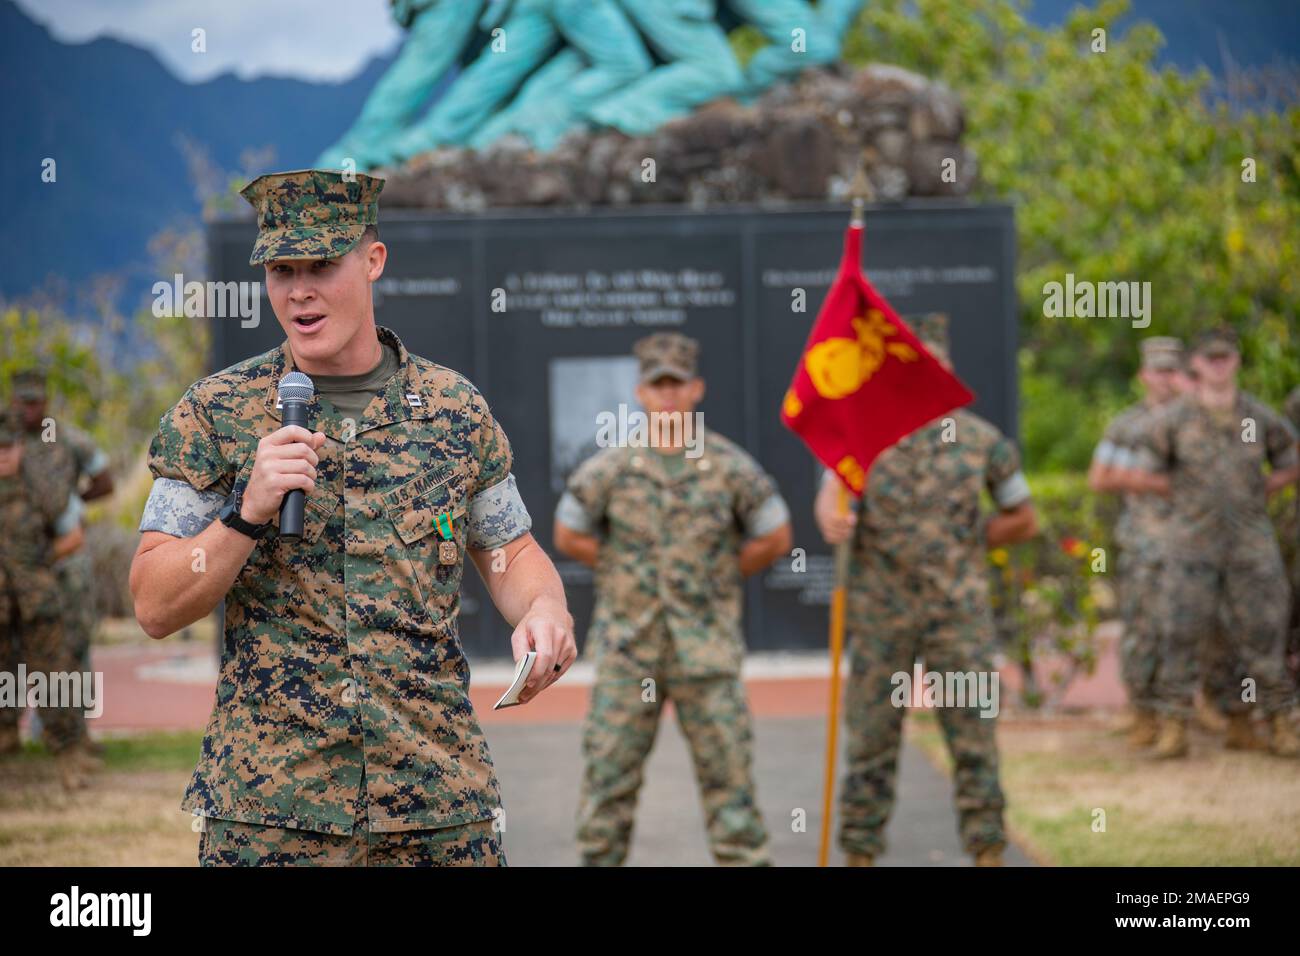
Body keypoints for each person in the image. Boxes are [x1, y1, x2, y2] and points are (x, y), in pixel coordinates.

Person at [129, 168, 575, 866]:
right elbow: (154, 602)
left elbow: (509, 553)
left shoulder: (454, 410)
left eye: (322, 265)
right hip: (272, 814)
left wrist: (545, 611)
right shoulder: (214, 414)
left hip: (434, 806)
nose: (300, 290)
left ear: (372, 261)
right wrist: (245, 515)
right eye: (281, 269)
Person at [554, 332, 792, 866]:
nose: (667, 395)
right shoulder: (613, 467)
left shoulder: (728, 465)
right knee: (607, 788)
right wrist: (621, 567)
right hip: (628, 652)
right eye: (657, 385)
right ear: (640, 392)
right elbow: (568, 533)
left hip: (706, 653)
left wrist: (722, 573)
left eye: (676, 385)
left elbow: (776, 536)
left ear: (696, 390)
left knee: (731, 789)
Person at [814, 314, 1038, 867]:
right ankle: (859, 852)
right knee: (870, 740)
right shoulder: (863, 436)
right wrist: (830, 520)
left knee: (973, 739)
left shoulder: (983, 441)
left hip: (956, 616)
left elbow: (1024, 517)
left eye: (935, 366)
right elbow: (828, 499)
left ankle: (987, 849)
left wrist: (971, 538)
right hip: (880, 616)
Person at [1127, 327, 1299, 758]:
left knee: (1263, 633)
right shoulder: (1173, 420)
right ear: (1197, 367)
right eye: (1210, 359)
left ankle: (1277, 723)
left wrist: (1262, 491)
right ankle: (1173, 727)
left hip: (1249, 542)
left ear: (1236, 362)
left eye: (1226, 358)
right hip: (1191, 544)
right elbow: (1146, 473)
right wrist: (1189, 499)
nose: (1219, 366)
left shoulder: (1255, 418)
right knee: (1181, 633)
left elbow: (1289, 460)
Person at [1087, 337, 1188, 749]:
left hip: (1198, 544)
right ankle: (1144, 712)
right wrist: (1159, 484)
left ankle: (1196, 714)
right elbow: (1099, 478)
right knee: (1143, 628)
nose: (1165, 379)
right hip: (1146, 543)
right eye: (1158, 370)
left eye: (1172, 370)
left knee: (1191, 629)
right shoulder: (1127, 425)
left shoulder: (1200, 420)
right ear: (1143, 375)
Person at [11, 368, 114, 764]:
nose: (28, 409)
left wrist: (72, 511)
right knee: (14, 646)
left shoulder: (65, 439)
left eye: (35, 401)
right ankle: (15, 728)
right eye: (22, 401)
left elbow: (104, 479)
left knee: (72, 644)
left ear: (46, 402)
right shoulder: (8, 440)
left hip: (65, 558)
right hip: (17, 559)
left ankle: (75, 732)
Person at [0, 408, 88, 789]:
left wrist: (41, 562)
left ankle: (70, 755)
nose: (3, 454)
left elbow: (74, 535)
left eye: (8, 447)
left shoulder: (42, 488)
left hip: (38, 601)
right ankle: (7, 739)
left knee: (54, 677)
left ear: (20, 448)